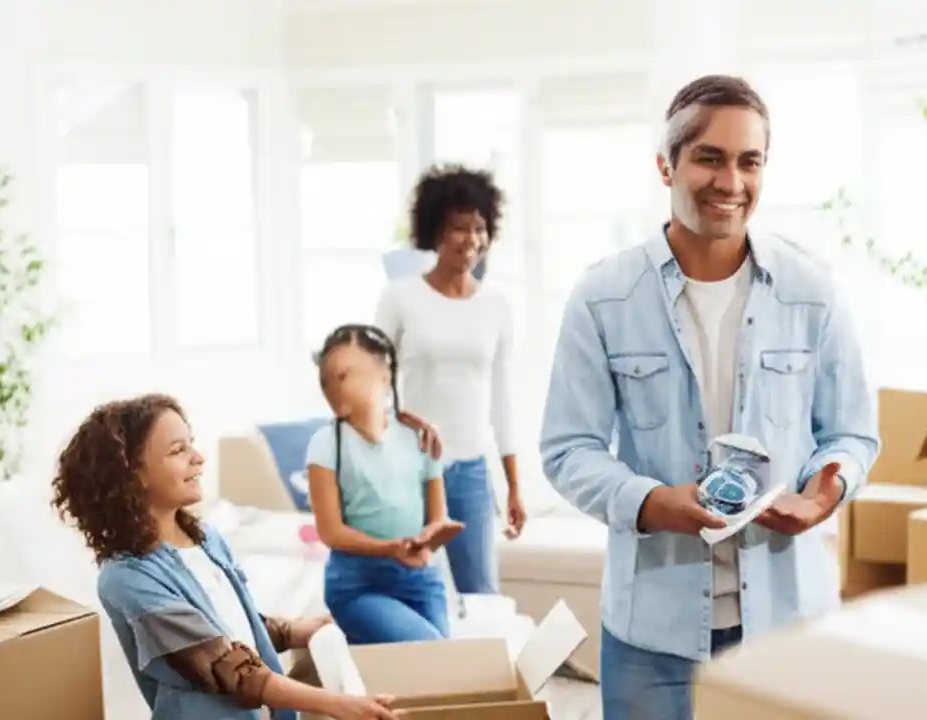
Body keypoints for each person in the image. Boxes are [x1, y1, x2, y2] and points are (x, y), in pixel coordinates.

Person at [539, 74, 880, 720]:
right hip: (650, 634)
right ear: (665, 164)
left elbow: (853, 434)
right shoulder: (603, 297)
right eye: (709, 158)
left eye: (749, 161)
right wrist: (653, 503)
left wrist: (824, 493)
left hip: (790, 626)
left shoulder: (813, 292)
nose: (731, 182)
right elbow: (567, 448)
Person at [51, 394, 398, 720]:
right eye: (177, 450)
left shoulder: (206, 539)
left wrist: (292, 631)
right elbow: (230, 668)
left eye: (192, 444)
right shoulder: (127, 579)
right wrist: (340, 706)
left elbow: (230, 626)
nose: (198, 458)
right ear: (133, 474)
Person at [374, 164, 525, 595]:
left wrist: (513, 486)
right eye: (460, 227)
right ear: (435, 230)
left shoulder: (497, 305)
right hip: (409, 468)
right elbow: (374, 385)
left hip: (471, 472)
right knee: (417, 587)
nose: (471, 240)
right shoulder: (400, 297)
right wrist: (399, 419)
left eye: (479, 228)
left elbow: (502, 402)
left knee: (481, 593)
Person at [307, 324, 464, 645]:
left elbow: (437, 516)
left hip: (421, 580)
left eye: (344, 374)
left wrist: (430, 537)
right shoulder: (326, 444)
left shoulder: (419, 437)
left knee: (443, 668)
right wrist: (390, 549)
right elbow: (331, 532)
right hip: (358, 586)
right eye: (326, 380)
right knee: (431, 652)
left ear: (384, 375)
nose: (333, 387)